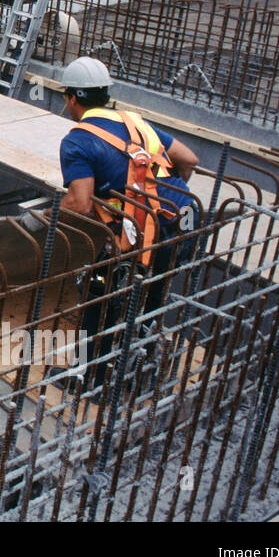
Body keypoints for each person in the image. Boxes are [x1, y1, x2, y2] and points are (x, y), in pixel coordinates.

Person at [58, 57, 199, 378]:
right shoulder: (135, 121)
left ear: (72, 98)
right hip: (188, 217)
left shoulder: (77, 140)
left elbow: (79, 204)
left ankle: (88, 375)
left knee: (100, 291)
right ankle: (144, 363)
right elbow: (189, 159)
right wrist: (163, 197)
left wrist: (45, 216)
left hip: (148, 232)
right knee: (155, 292)